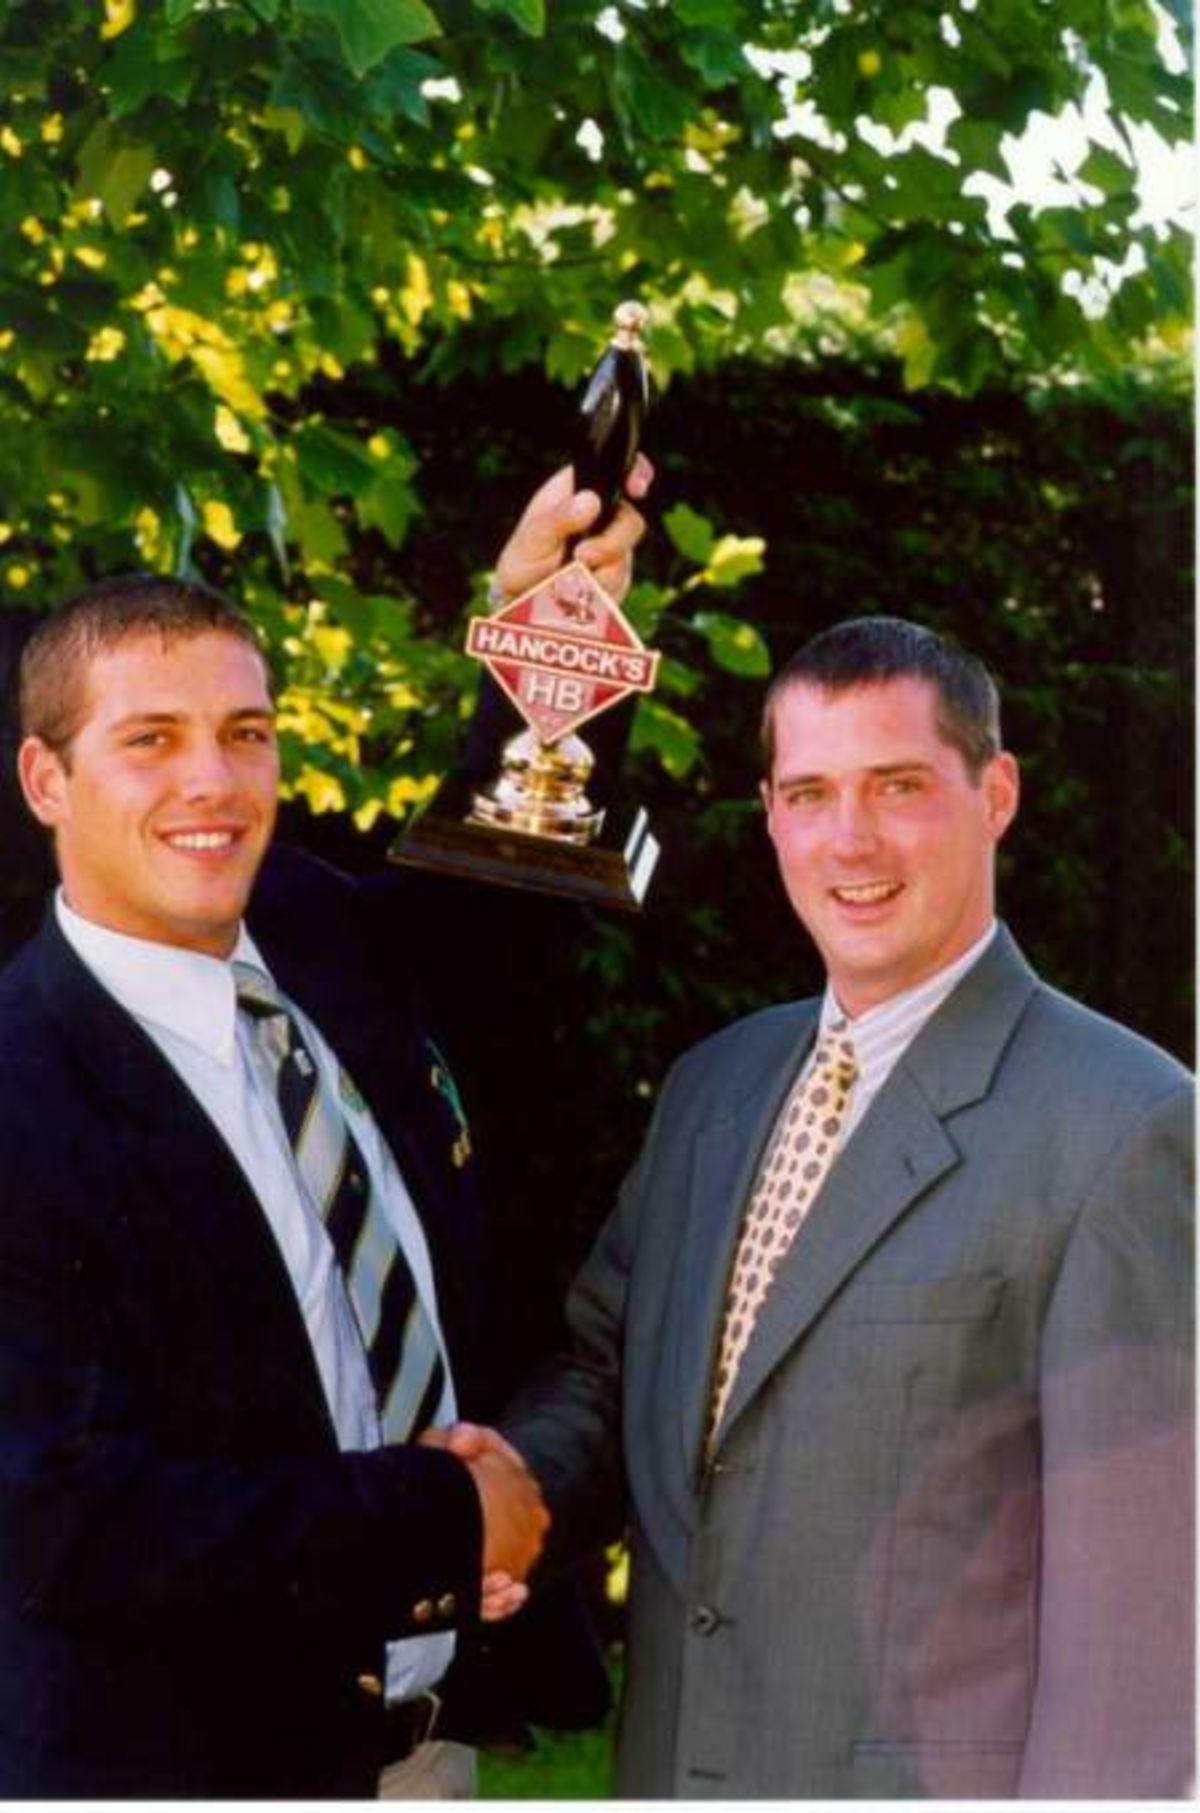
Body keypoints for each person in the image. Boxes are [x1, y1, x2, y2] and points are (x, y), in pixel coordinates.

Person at [448, 614, 1194, 1798]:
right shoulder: (714, 1089)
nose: (850, 838)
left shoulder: (1125, 1127)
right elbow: (608, 1368)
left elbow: (1140, 1639)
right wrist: (504, 1491)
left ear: (996, 793)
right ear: (770, 813)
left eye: (898, 786)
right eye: (810, 793)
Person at [0, 464, 648, 1798]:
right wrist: (442, 1519)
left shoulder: (308, 925)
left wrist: (550, 633)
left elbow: (502, 911)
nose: (213, 781)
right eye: (150, 739)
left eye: (245, 732)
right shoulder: (22, 1089)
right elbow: (63, 1517)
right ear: (44, 778)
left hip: (429, 1753)